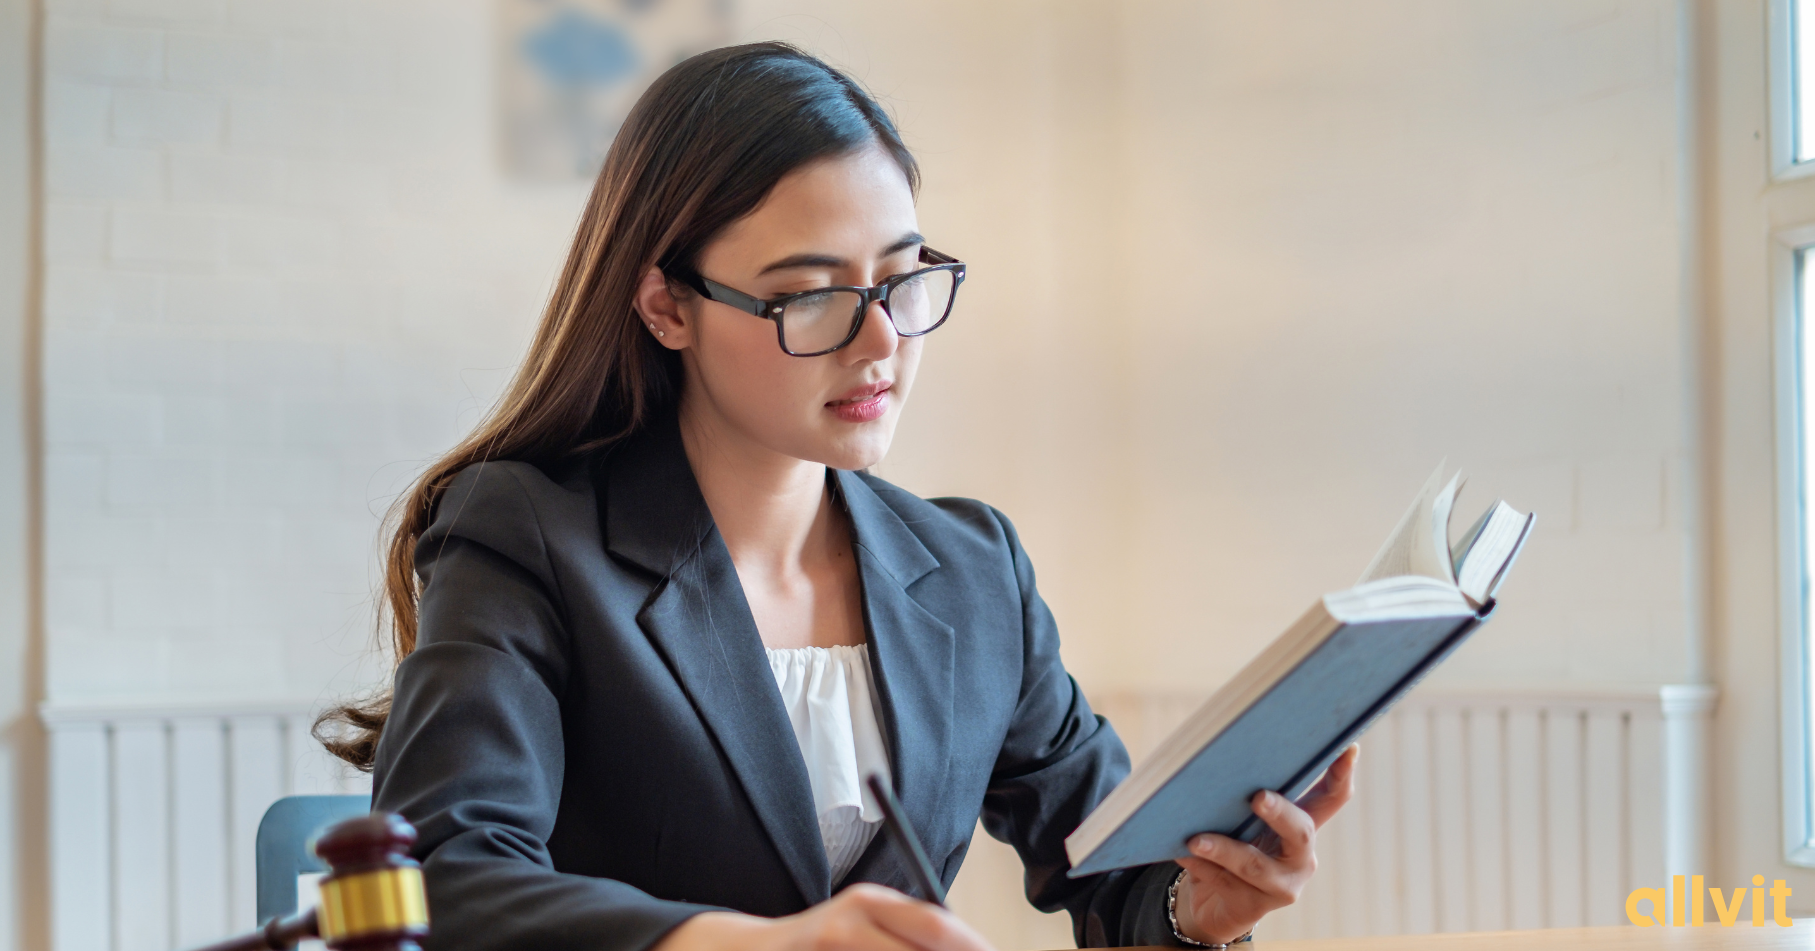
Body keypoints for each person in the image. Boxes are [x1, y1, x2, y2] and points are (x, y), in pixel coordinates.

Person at [318, 41, 1358, 951]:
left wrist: (1197, 906)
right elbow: (442, 878)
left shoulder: (970, 567)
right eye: (813, 295)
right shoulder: (529, 536)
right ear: (665, 305)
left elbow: (1110, 873)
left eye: (903, 279)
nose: (882, 344)